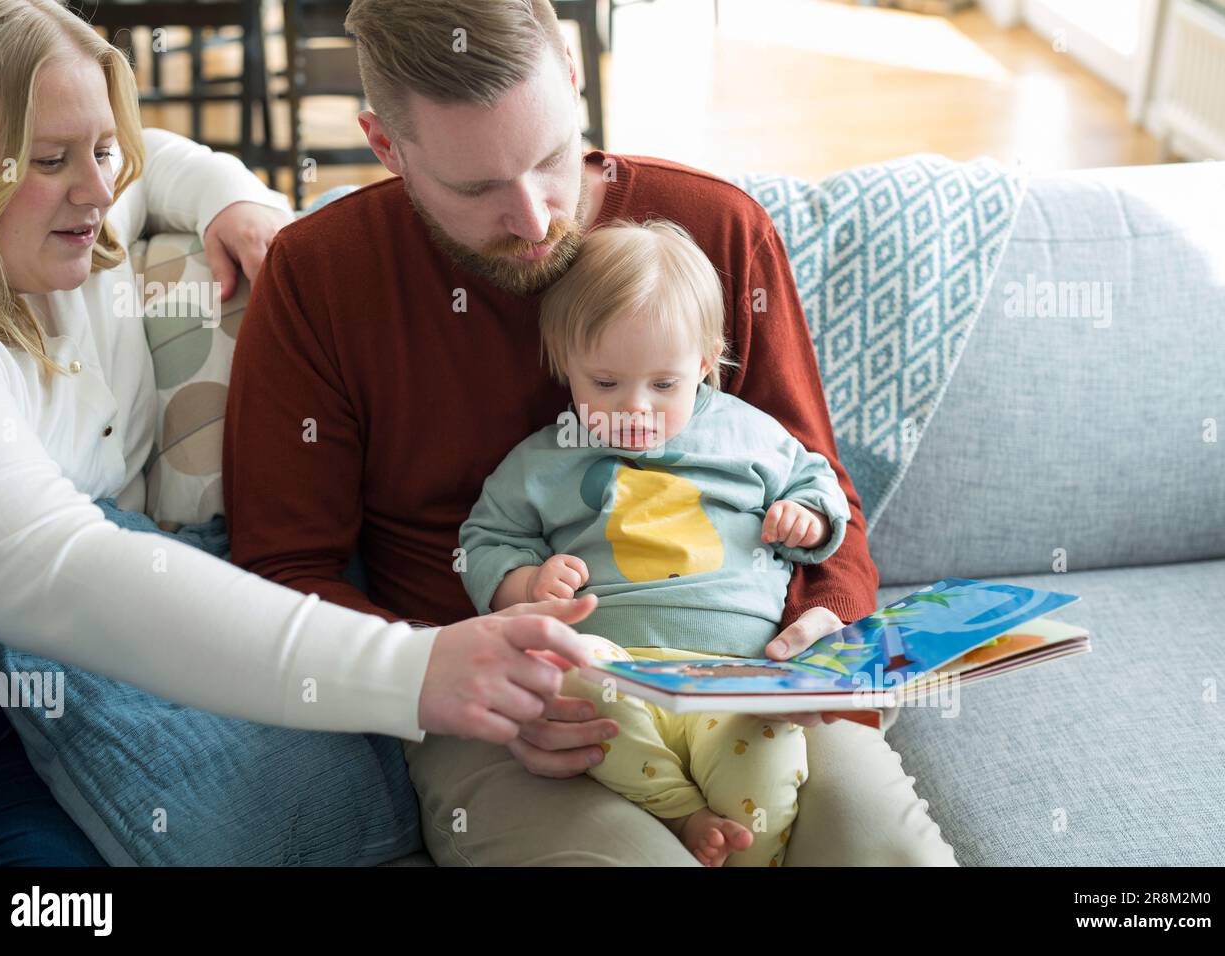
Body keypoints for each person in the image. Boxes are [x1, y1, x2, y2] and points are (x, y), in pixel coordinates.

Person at [223, 0, 959, 865]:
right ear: (386, 146)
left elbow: (818, 488)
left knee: (883, 853)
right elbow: (282, 570)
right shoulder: (322, 276)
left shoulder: (716, 230)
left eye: (549, 158)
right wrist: (447, 682)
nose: (535, 220)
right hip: (496, 712)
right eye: (476, 187)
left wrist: (824, 626)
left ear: (572, 76)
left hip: (756, 677)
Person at [0, 0, 594, 866]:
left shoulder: (73, 217)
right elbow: (77, 575)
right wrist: (415, 671)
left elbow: (161, 169)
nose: (102, 190)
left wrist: (237, 202)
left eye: (103, 149)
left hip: (36, 691)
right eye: (50, 159)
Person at [459, 217, 858, 866]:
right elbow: (484, 538)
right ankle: (677, 812)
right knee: (572, 671)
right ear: (566, 366)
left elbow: (820, 482)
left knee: (770, 753)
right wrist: (526, 584)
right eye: (605, 383)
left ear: (702, 366)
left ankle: (743, 851)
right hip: (616, 663)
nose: (634, 408)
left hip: (737, 679)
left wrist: (806, 517)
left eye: (664, 385)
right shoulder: (545, 459)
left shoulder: (749, 435)